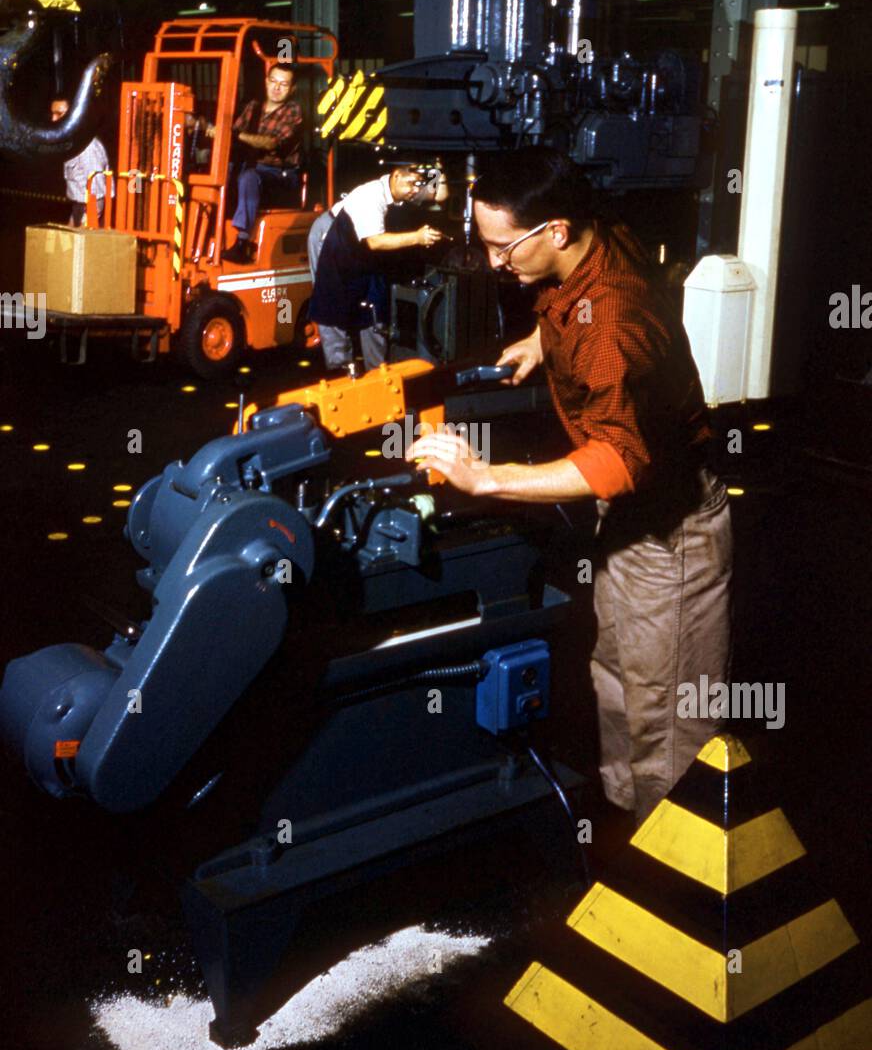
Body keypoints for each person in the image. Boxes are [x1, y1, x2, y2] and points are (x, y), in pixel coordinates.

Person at [406, 149, 733, 827]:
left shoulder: (611, 323)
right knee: (618, 682)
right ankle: (629, 841)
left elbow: (616, 462)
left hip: (668, 530)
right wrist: (542, 340)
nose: (494, 263)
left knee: (667, 716)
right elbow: (576, 302)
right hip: (629, 525)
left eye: (503, 247)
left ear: (553, 230)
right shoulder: (596, 238)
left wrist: (486, 478)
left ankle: (683, 879)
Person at [309, 162, 445, 371]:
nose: (416, 190)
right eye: (412, 184)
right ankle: (340, 369)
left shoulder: (406, 188)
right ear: (396, 175)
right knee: (332, 300)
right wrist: (417, 237)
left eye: (419, 185)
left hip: (362, 249)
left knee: (374, 305)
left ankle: (377, 370)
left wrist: (437, 170)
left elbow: (440, 195)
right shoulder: (370, 196)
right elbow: (375, 241)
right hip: (333, 236)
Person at [210, 62, 304, 262]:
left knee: (248, 177)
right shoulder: (253, 107)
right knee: (218, 173)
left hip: (281, 175)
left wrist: (235, 136)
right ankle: (210, 233)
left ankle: (242, 243)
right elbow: (232, 136)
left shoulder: (293, 111)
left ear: (292, 89)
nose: (277, 88)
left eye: (284, 84)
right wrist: (210, 132)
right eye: (273, 81)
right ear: (266, 82)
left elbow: (271, 144)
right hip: (252, 166)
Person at [50, 99, 108, 226]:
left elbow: (96, 191)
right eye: (52, 114)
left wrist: (87, 222)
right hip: (79, 207)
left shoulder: (86, 146)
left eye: (59, 114)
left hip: (90, 209)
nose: (53, 119)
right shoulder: (73, 144)